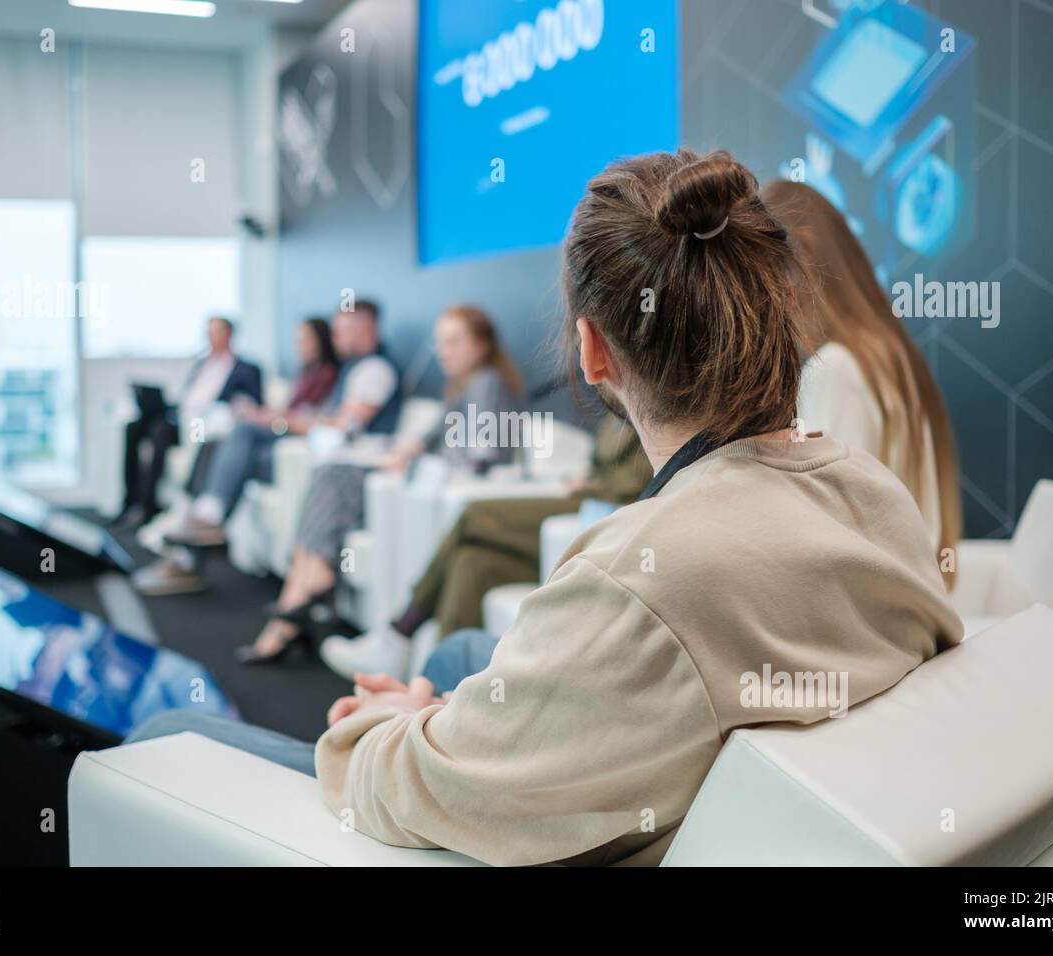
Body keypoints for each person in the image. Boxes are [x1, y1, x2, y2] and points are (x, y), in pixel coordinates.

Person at [129, 147, 963, 866]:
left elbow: (410, 787)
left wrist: (376, 728)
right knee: (460, 654)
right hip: (715, 790)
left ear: (594, 350)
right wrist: (445, 717)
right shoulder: (873, 494)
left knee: (165, 733)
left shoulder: (640, 583)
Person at [237, 303, 525, 664]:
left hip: (428, 488)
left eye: (454, 341)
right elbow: (433, 438)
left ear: (482, 344)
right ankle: (302, 592)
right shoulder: (465, 387)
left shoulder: (487, 385)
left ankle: (297, 600)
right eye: (440, 342)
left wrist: (411, 459)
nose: (444, 351)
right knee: (330, 471)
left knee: (332, 474)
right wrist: (406, 449)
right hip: (415, 480)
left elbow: (480, 458)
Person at [320, 415, 651, 679]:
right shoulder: (618, 398)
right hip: (585, 504)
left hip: (602, 514)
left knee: (476, 515)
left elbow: (634, 483)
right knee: (472, 561)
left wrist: (590, 483)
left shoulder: (653, 398)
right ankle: (439, 697)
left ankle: (400, 632)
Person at [762, 180, 961, 578]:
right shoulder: (888, 355)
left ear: (805, 256)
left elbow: (824, 534)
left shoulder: (837, 368)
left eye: (762, 278)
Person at [131, 317, 339, 596]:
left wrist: (271, 418)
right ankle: (195, 521)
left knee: (239, 435)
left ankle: (198, 532)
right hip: (272, 440)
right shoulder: (306, 375)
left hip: (290, 451)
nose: (298, 346)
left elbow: (318, 423)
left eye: (305, 339)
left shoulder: (330, 376)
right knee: (215, 444)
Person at [114, 316, 262, 528]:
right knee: (134, 426)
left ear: (229, 334)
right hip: (182, 418)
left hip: (203, 425)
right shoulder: (201, 364)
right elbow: (188, 398)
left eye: (215, 332)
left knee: (160, 432)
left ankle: (148, 507)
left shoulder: (246, 369)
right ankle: (130, 502)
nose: (210, 338)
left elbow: (252, 404)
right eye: (208, 333)